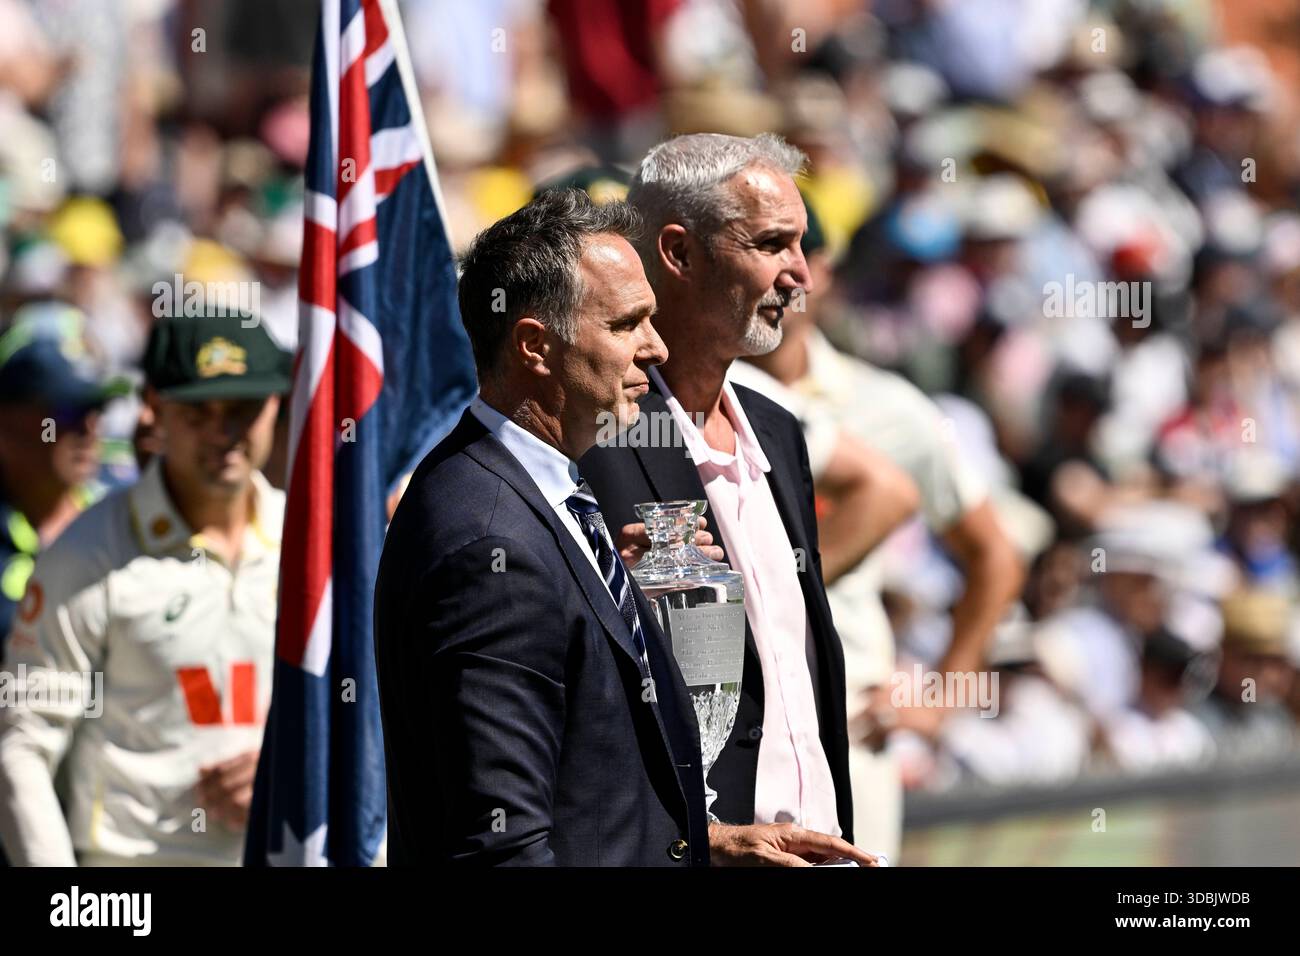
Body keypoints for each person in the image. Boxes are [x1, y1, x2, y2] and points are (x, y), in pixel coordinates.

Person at [375, 189, 875, 868]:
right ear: (535, 347)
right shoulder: (488, 534)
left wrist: (715, 842)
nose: (656, 347)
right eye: (626, 324)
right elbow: (502, 845)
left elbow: (589, 790)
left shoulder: (545, 494)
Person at [578, 132, 857, 844]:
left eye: (801, 246)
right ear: (678, 253)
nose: (801, 275)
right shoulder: (589, 439)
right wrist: (708, 840)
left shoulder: (776, 431)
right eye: (771, 245)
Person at [733, 193, 1023, 860]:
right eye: (758, 251)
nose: (781, 277)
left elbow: (996, 557)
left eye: (795, 252)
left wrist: (940, 694)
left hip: (849, 725)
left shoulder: (891, 409)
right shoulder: (686, 397)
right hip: (734, 718)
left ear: (824, 270)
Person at [0, 313, 289, 865]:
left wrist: (295, 763)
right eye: (198, 411)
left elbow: (383, 711)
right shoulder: (86, 555)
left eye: (243, 408)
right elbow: (23, 744)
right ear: (153, 407)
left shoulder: (314, 545)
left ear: (276, 404)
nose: (222, 432)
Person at [0, 309, 130, 658]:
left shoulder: (129, 514)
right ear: (7, 424)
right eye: (67, 412)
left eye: (98, 409)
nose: (89, 430)